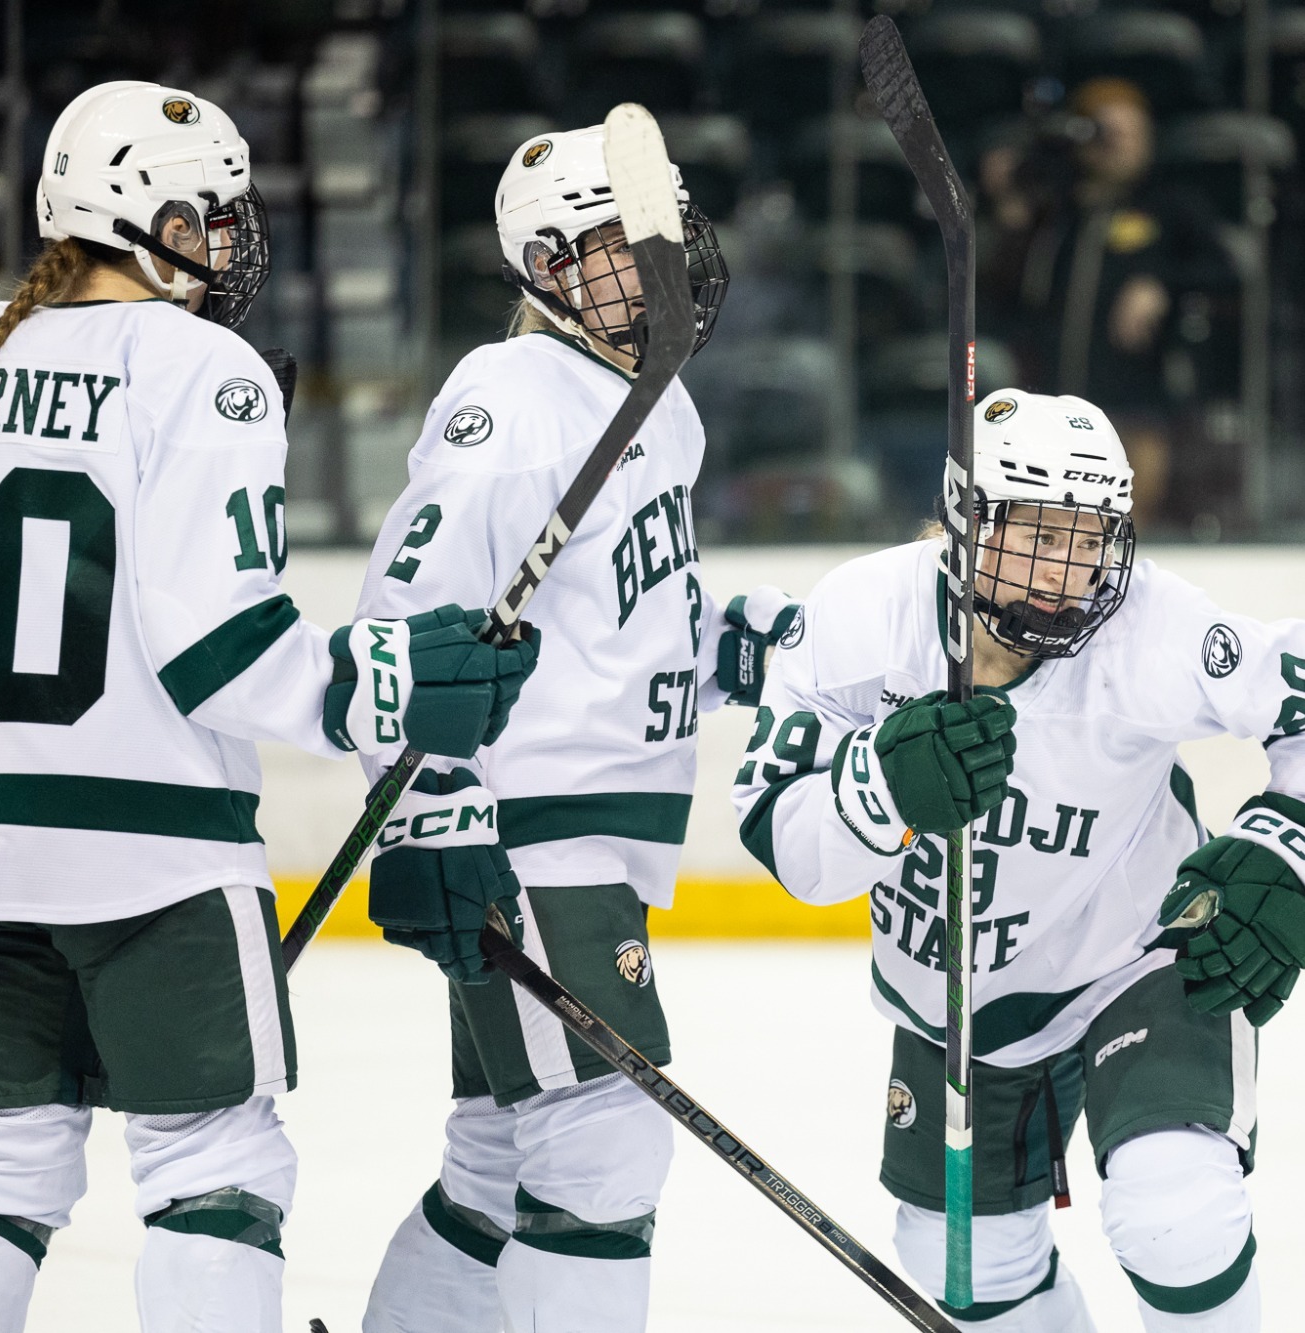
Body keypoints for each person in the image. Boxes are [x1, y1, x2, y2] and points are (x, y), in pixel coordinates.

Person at [0, 81, 535, 1333]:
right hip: (156, 853)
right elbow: (220, 652)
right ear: (134, 210)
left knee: (10, 1173)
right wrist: (385, 683)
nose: (230, 237)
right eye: (208, 211)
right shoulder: (199, 366)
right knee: (212, 1172)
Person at [732, 388, 1305, 1331]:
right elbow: (786, 836)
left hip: (1138, 964)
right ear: (966, 520)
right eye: (1037, 531)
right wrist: (881, 788)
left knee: (1175, 1212)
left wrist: (1285, 851)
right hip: (956, 1003)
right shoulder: (857, 622)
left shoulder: (1153, 630)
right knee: (968, 1277)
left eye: (1089, 537)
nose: (1065, 569)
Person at [353, 124, 791, 1333]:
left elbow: (608, 631)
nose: (652, 277)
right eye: (615, 253)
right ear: (543, 265)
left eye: (664, 247)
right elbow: (403, 622)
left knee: (502, 1159)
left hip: (588, 838)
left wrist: (723, 654)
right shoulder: (510, 398)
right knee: (603, 1152)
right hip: (537, 832)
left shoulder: (655, 404)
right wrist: (429, 813)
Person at [978, 79, 1238, 520]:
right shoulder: (1058, 208)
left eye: (1131, 133)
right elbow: (1002, 286)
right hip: (1049, 402)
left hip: (1138, 404)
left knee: (1125, 526)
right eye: (1105, 132)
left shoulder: (1171, 207)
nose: (1119, 145)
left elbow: (1226, 275)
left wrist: (1162, 284)